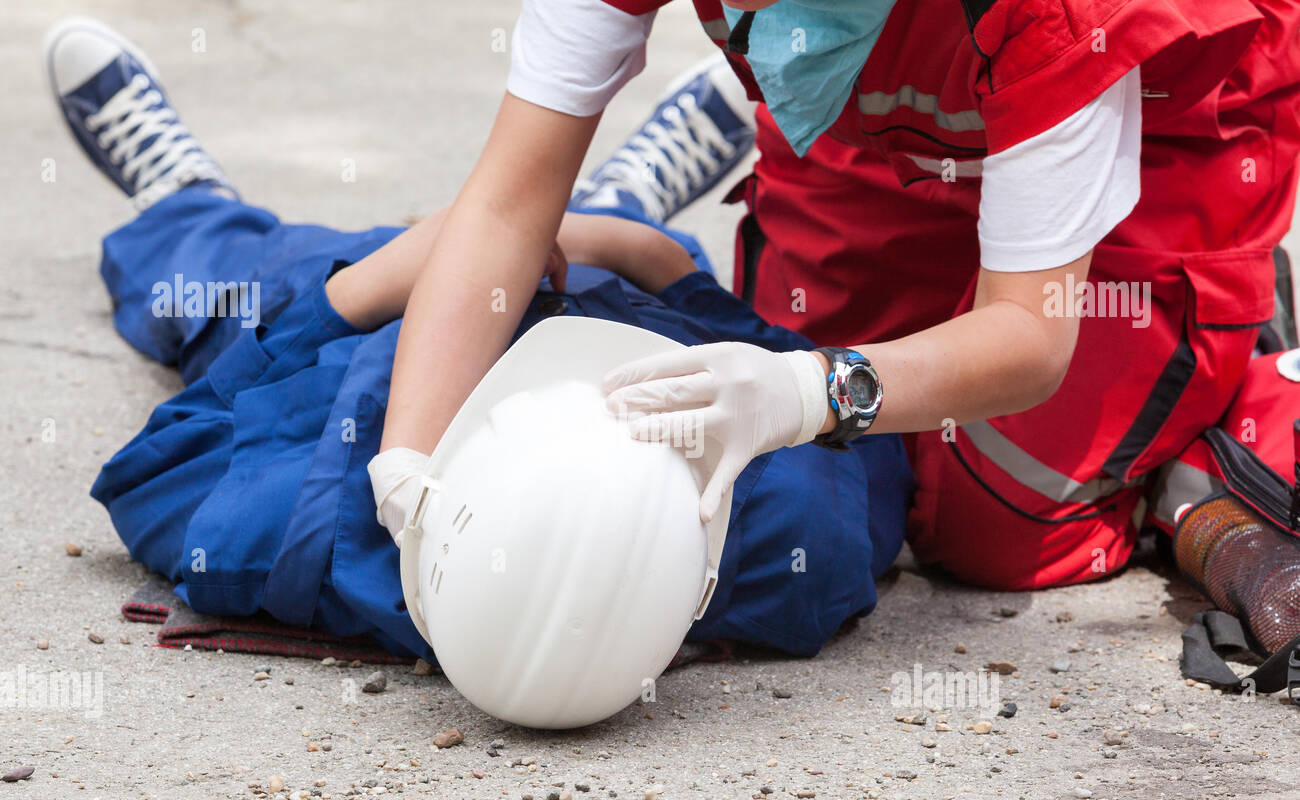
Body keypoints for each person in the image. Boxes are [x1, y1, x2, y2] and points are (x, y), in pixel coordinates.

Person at [368, 0, 1300, 601]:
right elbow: (500, 205)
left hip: (1157, 121)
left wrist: (818, 390)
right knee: (838, 476)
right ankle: (648, 184)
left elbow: (1027, 334)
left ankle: (1241, 361)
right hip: (887, 117)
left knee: (991, 535)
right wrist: (409, 461)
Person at [46, 17, 912, 662]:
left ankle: (180, 193)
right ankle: (619, 198)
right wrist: (638, 254)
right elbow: (800, 393)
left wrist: (367, 288)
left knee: (241, 281)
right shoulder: (794, 540)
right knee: (605, 245)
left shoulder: (319, 526)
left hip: (380, 335)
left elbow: (157, 463)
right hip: (619, 296)